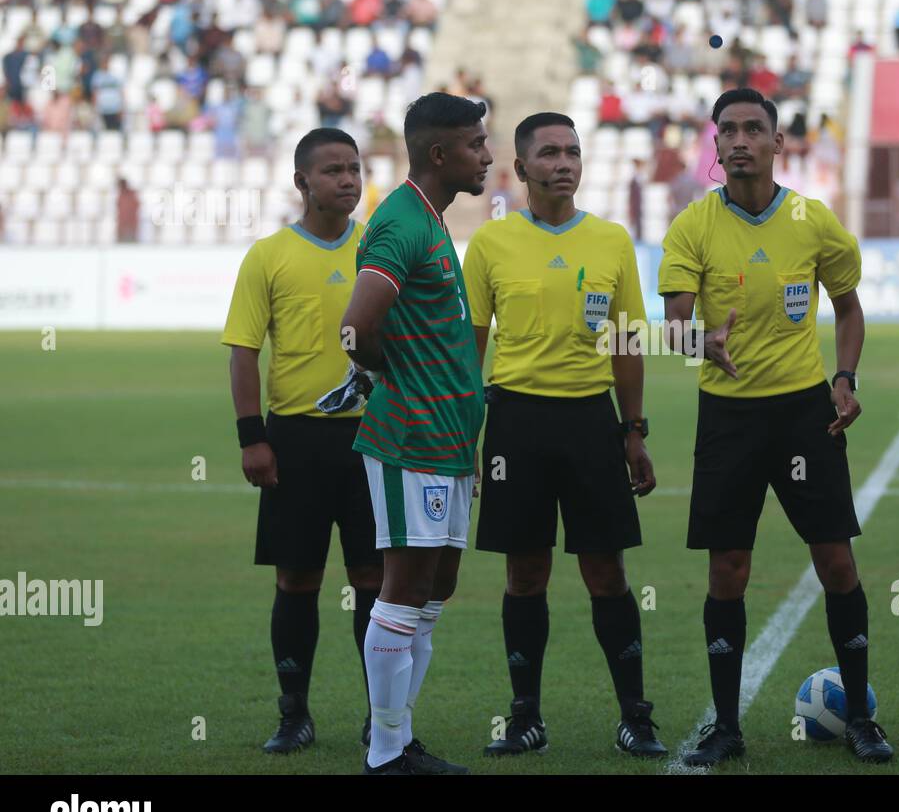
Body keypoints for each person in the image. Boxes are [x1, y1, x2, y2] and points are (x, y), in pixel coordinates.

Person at [658, 88, 889, 766]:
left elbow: (849, 311)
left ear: (777, 143)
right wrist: (705, 340)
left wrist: (844, 379)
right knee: (728, 569)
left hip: (803, 414)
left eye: (753, 128)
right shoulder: (691, 226)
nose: (738, 140)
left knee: (837, 561)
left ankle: (862, 721)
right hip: (727, 416)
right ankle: (726, 727)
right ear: (715, 143)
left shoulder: (813, 222)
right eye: (726, 129)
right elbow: (673, 326)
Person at [462, 112, 665, 759]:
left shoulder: (610, 241)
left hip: (589, 421)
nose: (564, 162)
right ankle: (525, 717)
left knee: (606, 570)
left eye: (572, 151)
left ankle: (635, 714)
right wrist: (467, 439)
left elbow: (628, 344)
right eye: (549, 153)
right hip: (515, 421)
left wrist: (633, 431)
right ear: (520, 169)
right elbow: (471, 350)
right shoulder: (491, 245)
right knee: (525, 572)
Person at [339, 93, 490, 775]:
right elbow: (357, 326)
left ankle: (397, 737)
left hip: (450, 440)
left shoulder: (429, 219)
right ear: (439, 154)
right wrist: (382, 375)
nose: (487, 155)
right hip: (412, 438)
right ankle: (386, 750)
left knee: (436, 587)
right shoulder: (400, 222)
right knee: (402, 588)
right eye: (475, 145)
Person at [221, 129, 382, 755]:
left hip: (374, 437)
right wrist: (251, 437)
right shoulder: (269, 255)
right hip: (296, 440)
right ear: (301, 182)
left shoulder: (379, 247)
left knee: (375, 578)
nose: (347, 180)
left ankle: (382, 713)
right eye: (333, 170)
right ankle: (294, 715)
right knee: (297, 579)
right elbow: (243, 352)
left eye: (354, 168)